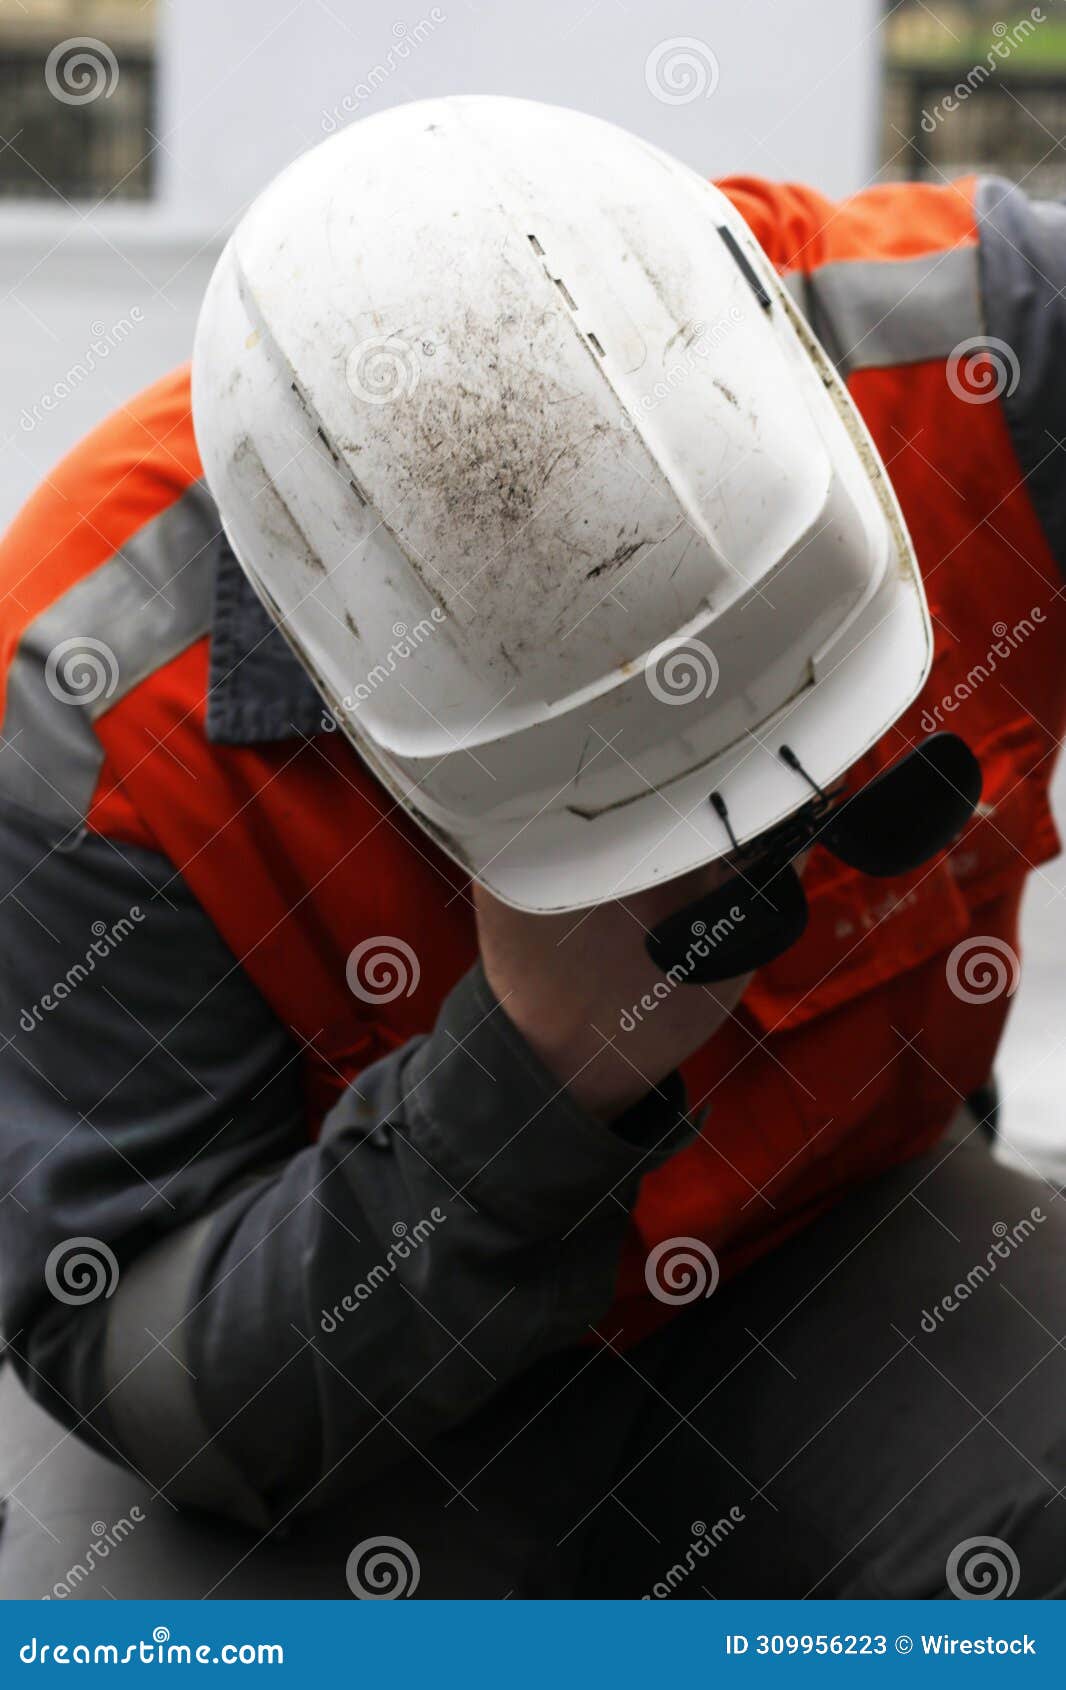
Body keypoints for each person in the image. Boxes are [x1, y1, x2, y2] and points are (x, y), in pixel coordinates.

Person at [0, 96, 1064, 1601]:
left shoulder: (977, 356)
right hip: (379, 1427)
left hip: (843, 1262)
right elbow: (145, 1367)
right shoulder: (95, 730)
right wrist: (532, 1075)